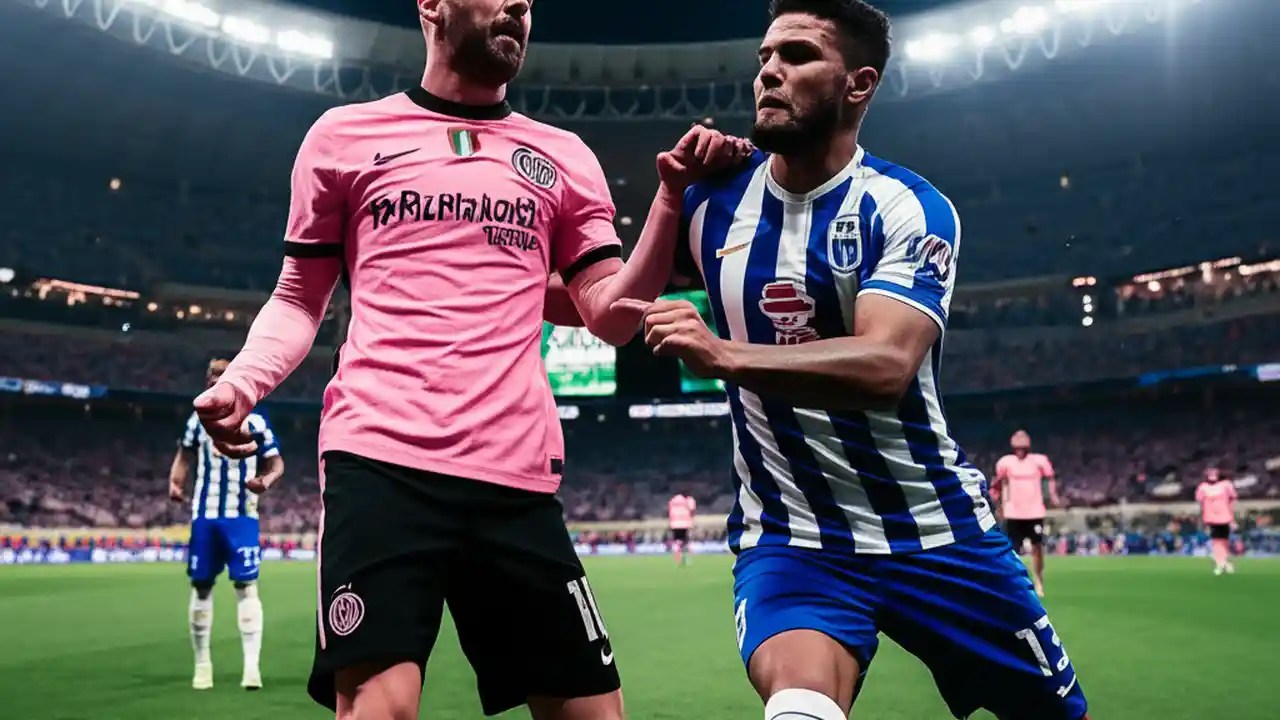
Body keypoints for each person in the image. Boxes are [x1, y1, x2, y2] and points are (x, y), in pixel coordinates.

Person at [192, 1, 749, 717]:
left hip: (514, 475)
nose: (519, 5)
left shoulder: (563, 156)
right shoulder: (343, 137)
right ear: (432, 6)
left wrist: (670, 199)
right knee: (377, 709)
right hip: (380, 462)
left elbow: (609, 317)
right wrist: (243, 380)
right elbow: (300, 298)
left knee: (594, 714)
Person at [616, 2, 1089, 718]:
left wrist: (723, 354)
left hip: (936, 529)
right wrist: (668, 191)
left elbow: (886, 363)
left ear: (858, 84)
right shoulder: (712, 201)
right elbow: (612, 310)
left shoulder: (908, 208)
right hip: (796, 538)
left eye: (799, 55)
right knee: (800, 708)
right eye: (764, 57)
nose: (770, 71)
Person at [167, 358, 284, 691]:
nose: (216, 380)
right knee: (201, 586)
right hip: (205, 515)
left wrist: (268, 478)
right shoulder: (196, 421)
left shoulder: (256, 421)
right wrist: (176, 482)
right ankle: (202, 665)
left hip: (241, 517)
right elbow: (183, 457)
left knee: (246, 586)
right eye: (212, 375)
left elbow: (276, 461)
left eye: (222, 375)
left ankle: (251, 668)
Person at [993, 429, 1059, 597]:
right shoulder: (1006, 463)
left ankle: (1038, 581)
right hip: (1014, 512)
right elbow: (999, 483)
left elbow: (1050, 478)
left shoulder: (1038, 461)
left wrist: (1053, 495)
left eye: (1023, 447)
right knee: (1013, 549)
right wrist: (998, 502)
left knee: (1038, 548)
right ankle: (1017, 582)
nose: (1020, 451)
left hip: (1034, 511)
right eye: (1017, 447)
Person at [1195, 466, 1237, 575]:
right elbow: (1200, 502)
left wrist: (1232, 518)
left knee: (1224, 541)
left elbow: (1232, 500)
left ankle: (1225, 563)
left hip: (1225, 517)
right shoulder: (1203, 487)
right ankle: (1220, 564)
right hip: (1212, 518)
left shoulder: (1226, 485)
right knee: (1217, 541)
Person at [667, 491, 698, 567]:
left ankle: (678, 559)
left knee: (677, 542)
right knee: (687, 542)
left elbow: (670, 511)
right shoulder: (690, 500)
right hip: (686, 523)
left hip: (674, 524)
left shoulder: (673, 500)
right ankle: (688, 559)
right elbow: (692, 510)